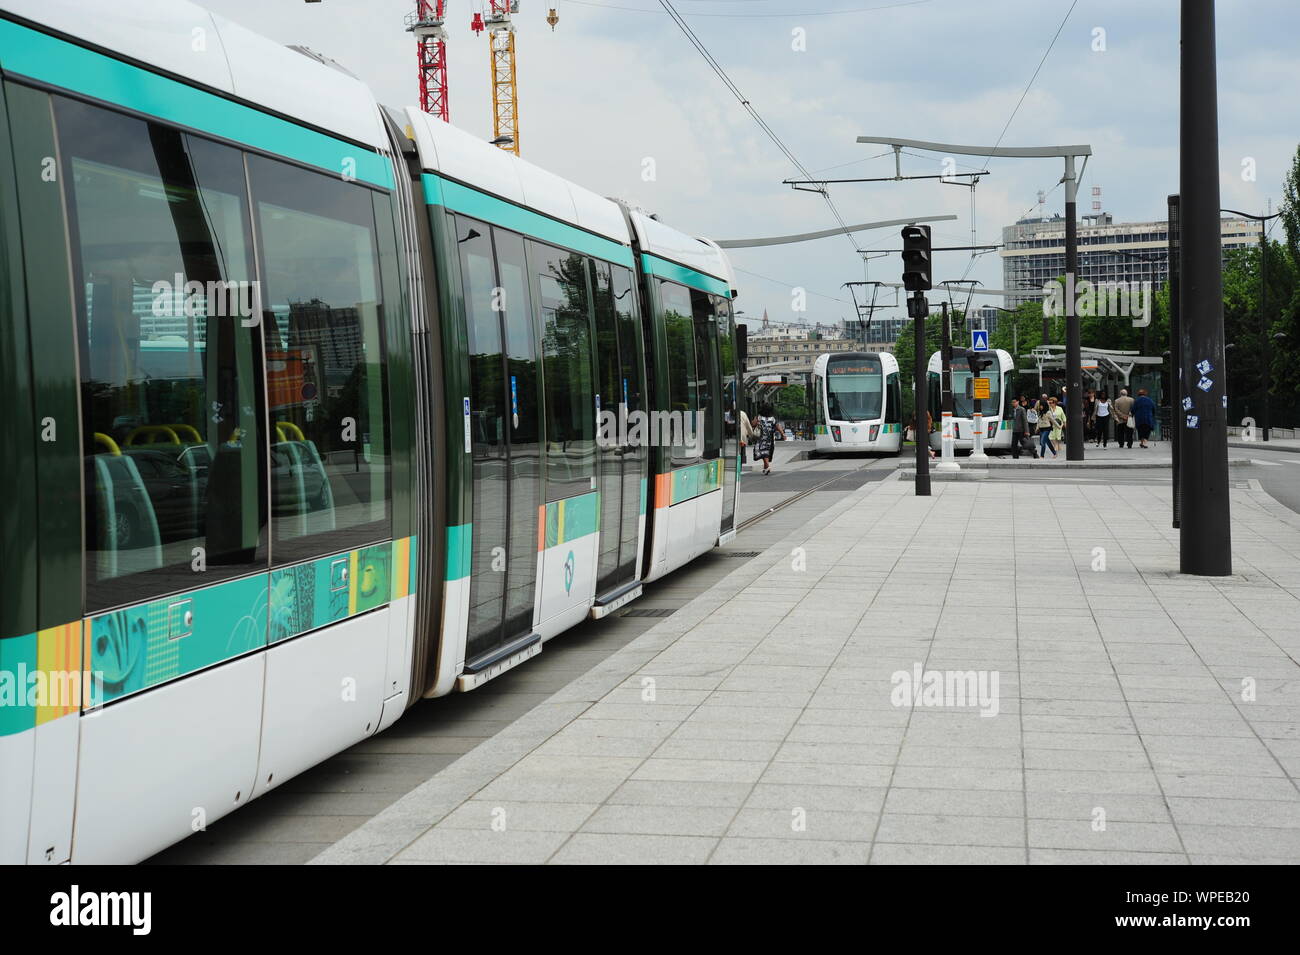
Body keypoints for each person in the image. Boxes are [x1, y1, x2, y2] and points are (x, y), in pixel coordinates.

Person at [753, 403, 777, 475]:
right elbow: (777, 426)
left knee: (762, 452)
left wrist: (756, 422)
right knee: (766, 452)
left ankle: (767, 466)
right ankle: (765, 468)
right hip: (770, 438)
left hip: (761, 438)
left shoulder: (759, 417)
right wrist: (783, 434)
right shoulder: (772, 418)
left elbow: (753, 424)